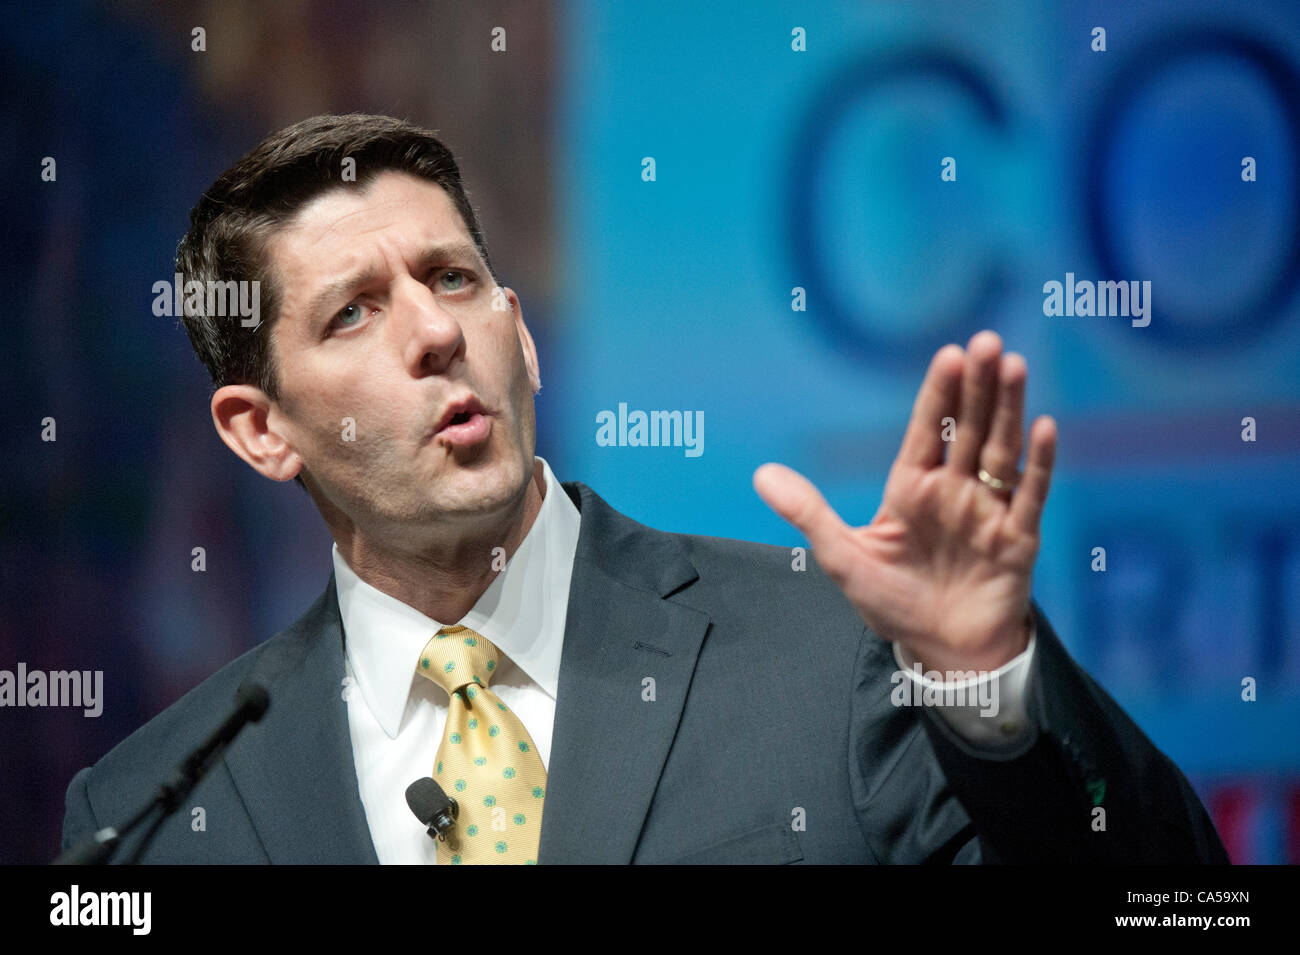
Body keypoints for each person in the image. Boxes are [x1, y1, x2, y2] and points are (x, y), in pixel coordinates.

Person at [62, 114, 1227, 864]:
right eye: (352, 312)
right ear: (261, 431)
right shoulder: (154, 811)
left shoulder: (841, 652)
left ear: (520, 339)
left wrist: (984, 684)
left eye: (453, 278)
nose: (432, 333)